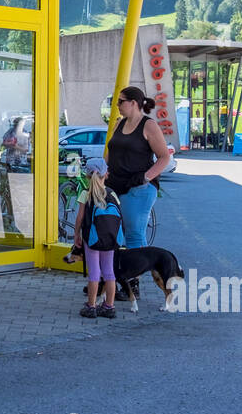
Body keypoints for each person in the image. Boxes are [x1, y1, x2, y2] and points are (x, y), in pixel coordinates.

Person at [105, 86, 171, 250]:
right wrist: (101, 171)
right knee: (115, 232)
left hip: (137, 188)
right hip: (114, 185)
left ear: (133, 103)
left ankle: (135, 274)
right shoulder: (120, 123)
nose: (117, 105)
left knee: (134, 235)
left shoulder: (149, 125)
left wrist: (145, 178)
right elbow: (110, 152)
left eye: (120, 101)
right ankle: (121, 271)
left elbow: (164, 157)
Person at [70, 157, 118, 318]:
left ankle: (91, 306)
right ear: (106, 174)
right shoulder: (112, 194)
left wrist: (76, 234)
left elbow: (80, 217)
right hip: (110, 239)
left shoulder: (86, 194)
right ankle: (109, 307)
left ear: (88, 176)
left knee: (94, 272)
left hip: (91, 239)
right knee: (109, 271)